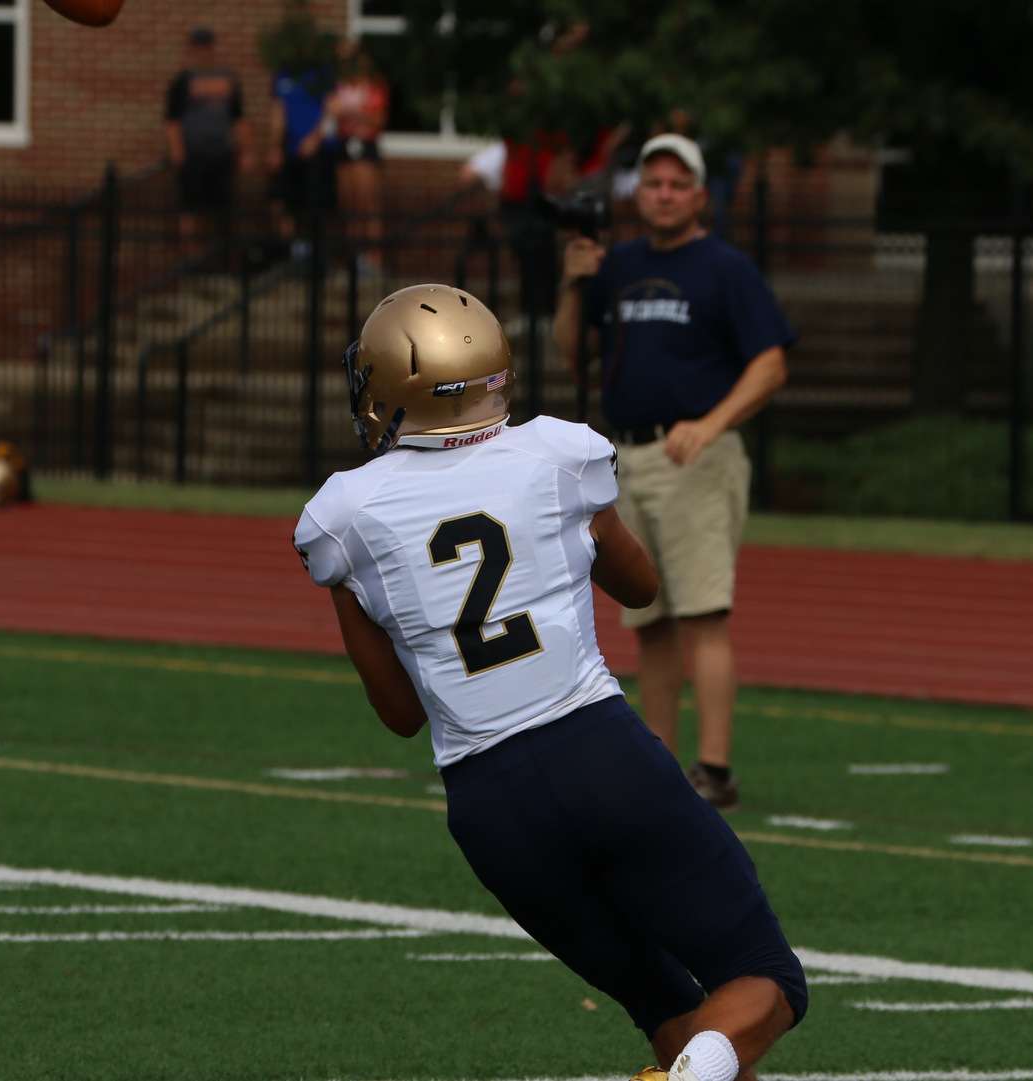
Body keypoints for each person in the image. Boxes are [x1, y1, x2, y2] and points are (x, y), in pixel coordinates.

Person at [295, 284, 806, 1081]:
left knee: (671, 1012)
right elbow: (640, 590)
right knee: (765, 981)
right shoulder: (556, 454)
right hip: (599, 753)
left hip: (489, 804)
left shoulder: (343, 514)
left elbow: (398, 712)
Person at [553, 134, 793, 811]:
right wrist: (574, 283)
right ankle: (660, 761)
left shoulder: (725, 268)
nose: (662, 193)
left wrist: (712, 423)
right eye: (652, 182)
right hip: (625, 457)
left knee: (702, 614)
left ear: (698, 195)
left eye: (675, 183)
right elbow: (573, 350)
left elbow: (770, 363)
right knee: (647, 618)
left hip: (695, 459)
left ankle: (713, 769)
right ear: (639, 193)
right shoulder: (618, 263)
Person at [165, 26, 251, 254]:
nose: (203, 52)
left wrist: (246, 152)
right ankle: (191, 256)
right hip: (193, 154)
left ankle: (218, 255)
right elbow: (171, 120)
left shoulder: (227, 79)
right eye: (199, 47)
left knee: (221, 208)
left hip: (221, 154)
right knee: (191, 207)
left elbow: (239, 118)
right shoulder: (182, 81)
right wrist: (177, 150)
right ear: (192, 50)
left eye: (207, 47)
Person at [266, 59, 338, 260]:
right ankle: (292, 252)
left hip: (319, 151)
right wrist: (275, 148)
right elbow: (278, 112)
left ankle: (316, 253)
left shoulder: (325, 72)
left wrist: (315, 139)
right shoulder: (284, 73)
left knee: (315, 203)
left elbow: (332, 109)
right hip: (290, 151)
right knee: (279, 199)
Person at [327, 43, 389, 274]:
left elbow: (378, 118)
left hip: (365, 144)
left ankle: (374, 259)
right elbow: (332, 109)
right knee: (349, 203)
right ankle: (354, 259)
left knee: (368, 203)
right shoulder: (339, 85)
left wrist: (352, 113)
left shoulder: (374, 85)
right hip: (345, 145)